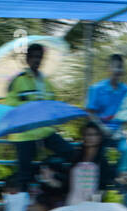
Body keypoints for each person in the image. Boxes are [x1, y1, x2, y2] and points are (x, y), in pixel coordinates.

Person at [6, 43, 77, 189]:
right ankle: (24, 205)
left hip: (45, 131)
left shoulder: (46, 83)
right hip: (24, 134)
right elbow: (9, 105)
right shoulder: (18, 81)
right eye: (33, 57)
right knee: (24, 174)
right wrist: (28, 107)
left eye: (39, 57)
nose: (36, 60)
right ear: (27, 59)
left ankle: (49, 174)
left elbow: (53, 105)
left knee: (71, 153)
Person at [67, 120, 115, 205]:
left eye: (94, 134)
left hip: (93, 205)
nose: (90, 138)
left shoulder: (103, 161)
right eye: (87, 134)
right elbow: (66, 182)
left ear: (100, 137)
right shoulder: (75, 157)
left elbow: (104, 187)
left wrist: (93, 201)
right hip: (72, 202)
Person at [85, 53, 127, 137]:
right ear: (109, 68)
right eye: (115, 67)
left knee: (126, 148)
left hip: (119, 132)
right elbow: (90, 113)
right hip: (99, 131)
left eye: (120, 67)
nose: (118, 70)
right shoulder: (96, 89)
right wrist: (102, 128)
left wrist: (121, 128)